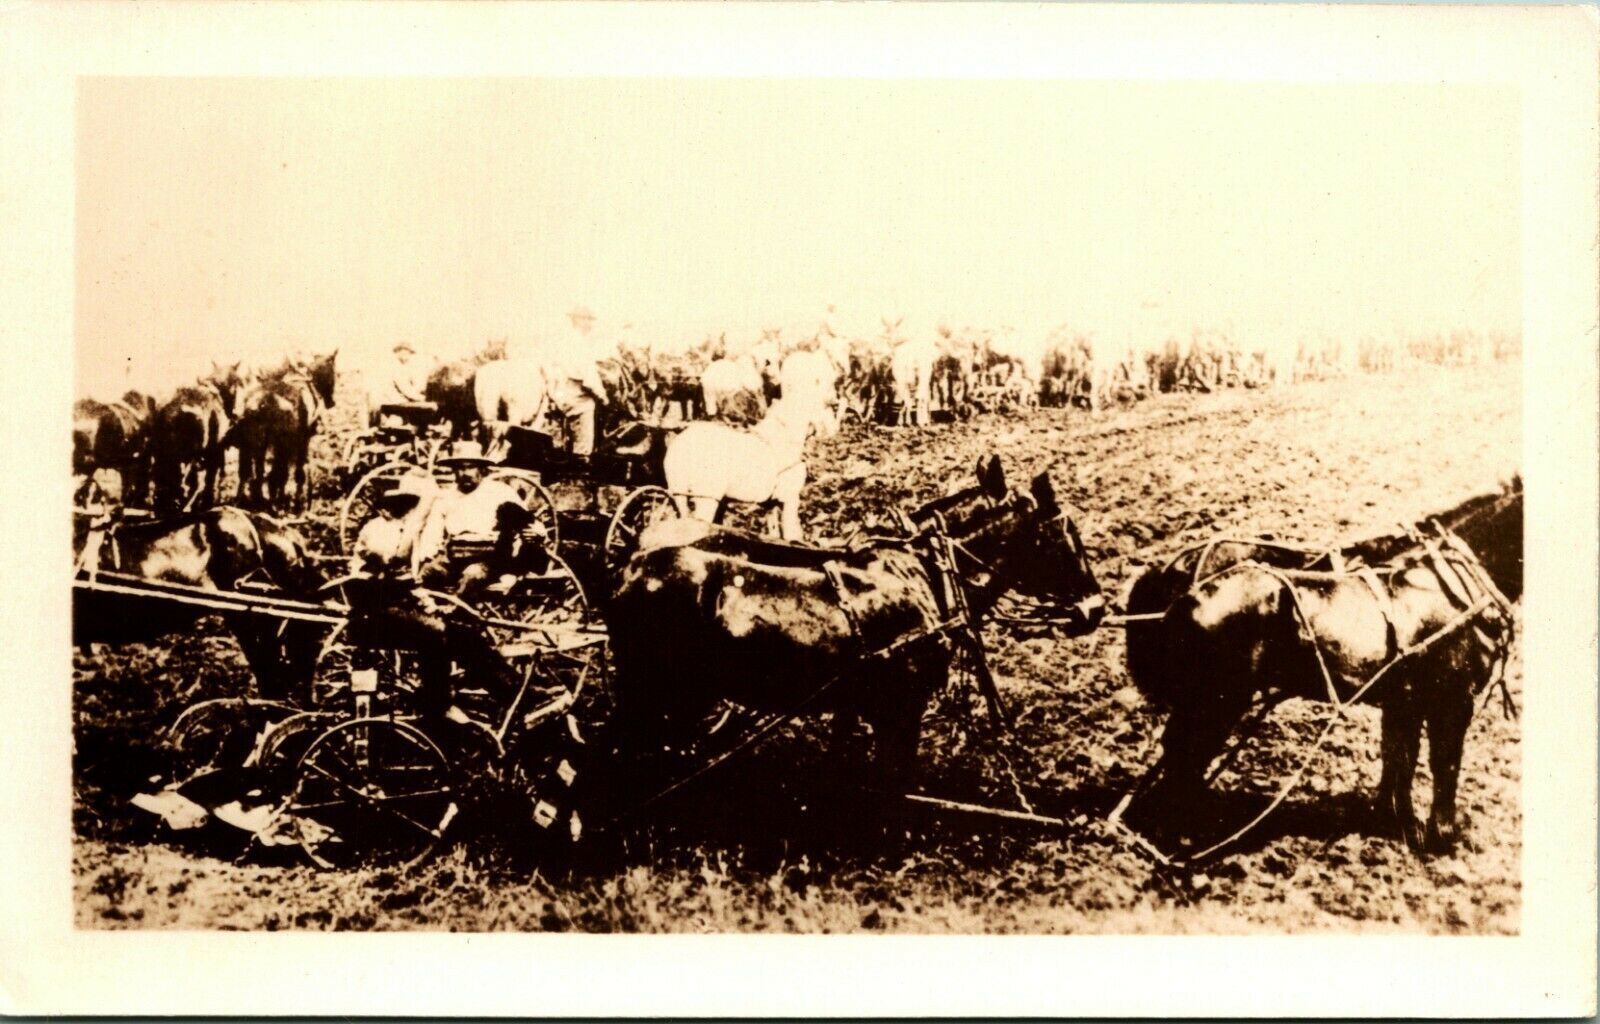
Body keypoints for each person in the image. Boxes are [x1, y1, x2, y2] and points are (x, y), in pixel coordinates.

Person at [413, 441, 526, 598]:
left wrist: (513, 569)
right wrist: (428, 554)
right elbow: (433, 532)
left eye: (470, 467)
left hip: (490, 559)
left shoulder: (501, 493)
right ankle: (427, 607)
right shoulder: (446, 497)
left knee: (471, 576)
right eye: (460, 468)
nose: (465, 473)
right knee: (428, 573)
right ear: (454, 471)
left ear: (481, 469)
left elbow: (525, 527)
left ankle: (453, 608)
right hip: (454, 558)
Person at [545, 306, 609, 457]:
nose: (591, 325)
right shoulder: (581, 344)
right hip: (579, 401)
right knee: (583, 448)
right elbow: (589, 379)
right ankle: (582, 463)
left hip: (560, 398)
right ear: (579, 320)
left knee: (560, 445)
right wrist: (603, 397)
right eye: (588, 320)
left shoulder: (562, 341)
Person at [370, 340, 434, 428]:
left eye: (409, 353)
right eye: (405, 353)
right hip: (393, 401)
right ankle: (395, 424)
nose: (407, 356)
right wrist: (423, 399)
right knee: (426, 410)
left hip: (394, 401)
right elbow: (406, 390)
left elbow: (411, 388)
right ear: (398, 353)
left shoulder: (401, 367)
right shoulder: (396, 367)